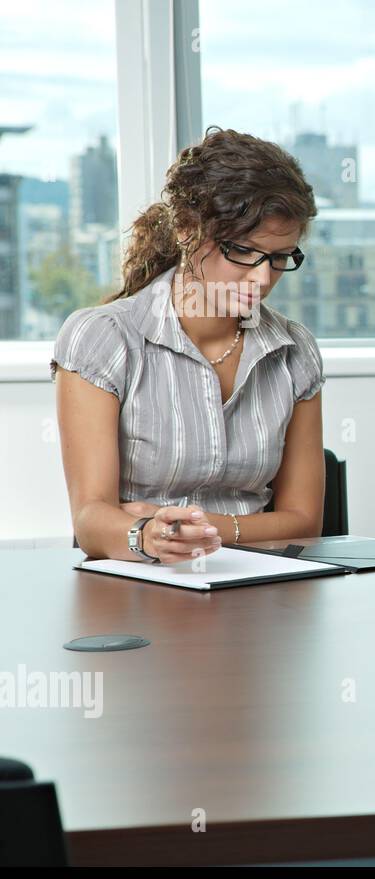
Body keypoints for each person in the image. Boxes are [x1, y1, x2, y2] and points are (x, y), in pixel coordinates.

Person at [51, 127, 326, 565]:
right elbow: (90, 519)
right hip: (136, 586)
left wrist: (210, 529)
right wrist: (150, 536)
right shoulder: (103, 338)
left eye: (280, 258)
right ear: (186, 229)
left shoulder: (295, 350)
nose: (262, 278)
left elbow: (305, 521)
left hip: (260, 584)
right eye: (244, 252)